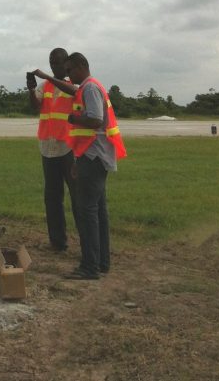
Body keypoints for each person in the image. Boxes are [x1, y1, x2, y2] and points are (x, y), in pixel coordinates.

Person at [61, 51, 126, 280]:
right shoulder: (90, 86)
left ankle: (89, 267)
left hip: (93, 157)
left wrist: (72, 118)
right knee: (98, 211)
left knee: (87, 211)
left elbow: (95, 120)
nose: (68, 76)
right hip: (94, 156)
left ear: (81, 66)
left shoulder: (89, 88)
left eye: (69, 71)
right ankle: (102, 262)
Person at [27, 48, 78, 252]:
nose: (54, 66)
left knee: (78, 196)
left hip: (69, 148)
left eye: (57, 62)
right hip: (48, 148)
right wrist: (31, 90)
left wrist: (47, 76)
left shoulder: (74, 85)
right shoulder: (45, 86)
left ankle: (88, 242)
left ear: (66, 63)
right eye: (51, 62)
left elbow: (72, 92)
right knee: (52, 197)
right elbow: (35, 107)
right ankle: (57, 242)